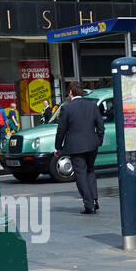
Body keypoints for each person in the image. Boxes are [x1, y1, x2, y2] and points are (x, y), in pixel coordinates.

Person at [54, 81, 104, 214]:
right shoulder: (92, 106)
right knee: (90, 171)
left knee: (80, 174)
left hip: (76, 146)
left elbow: (61, 130)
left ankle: (89, 204)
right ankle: (94, 199)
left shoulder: (67, 108)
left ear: (70, 92)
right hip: (92, 145)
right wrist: (98, 140)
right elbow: (100, 124)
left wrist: (58, 147)